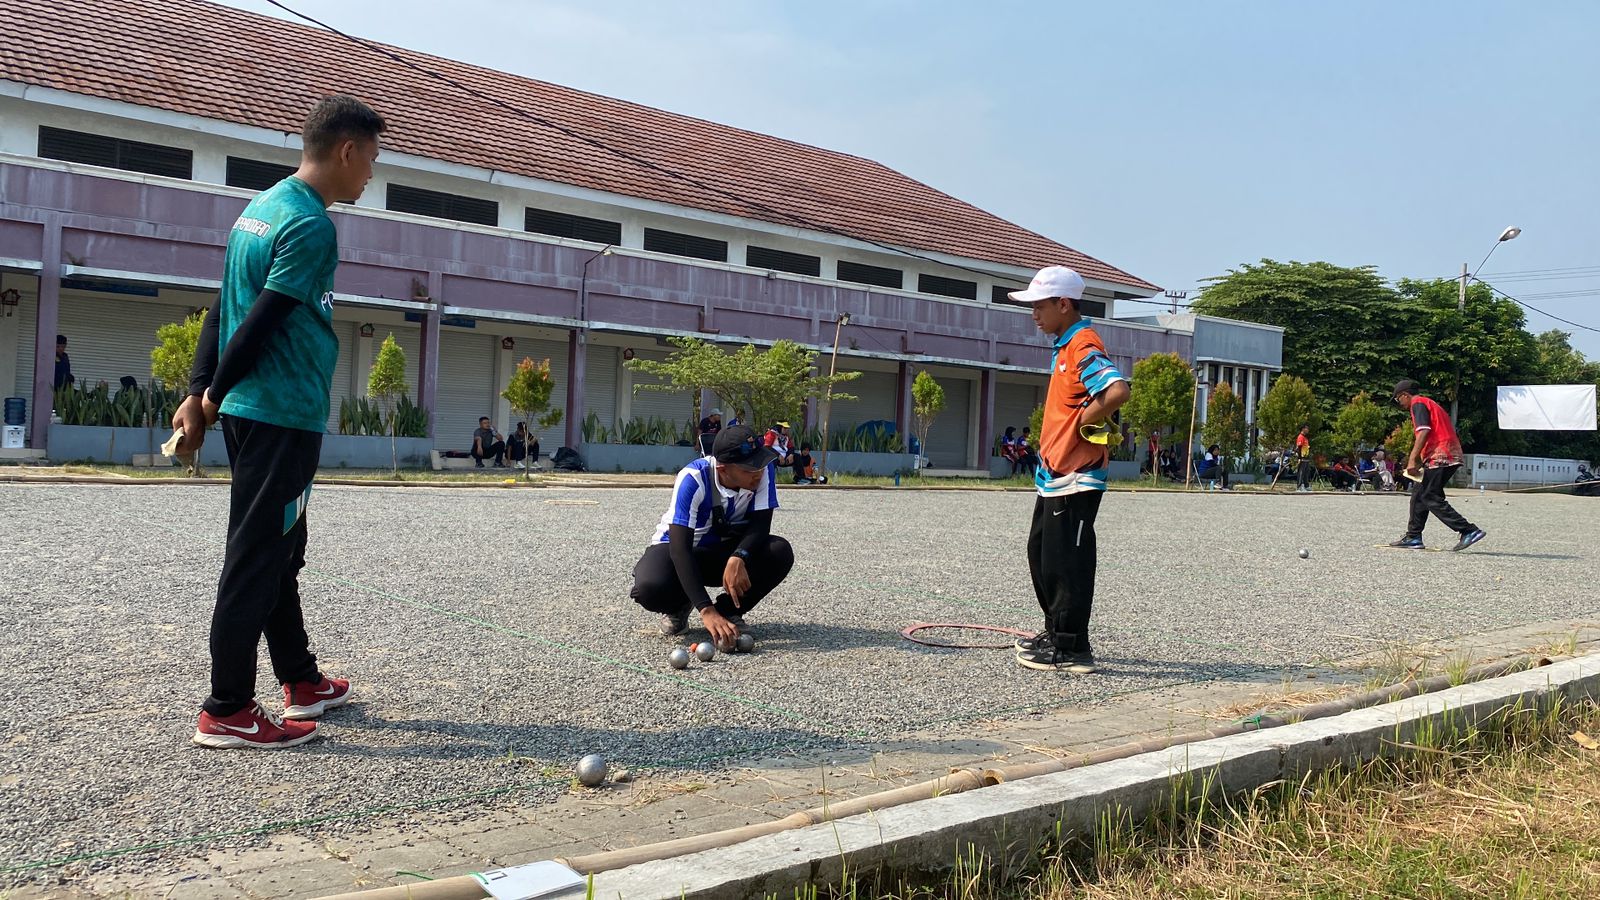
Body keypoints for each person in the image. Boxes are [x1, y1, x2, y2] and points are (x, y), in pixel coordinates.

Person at [172, 94, 385, 749]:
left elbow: (220, 307)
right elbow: (258, 321)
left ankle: (300, 681)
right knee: (258, 555)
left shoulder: (258, 210)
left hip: (253, 410)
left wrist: (200, 386)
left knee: (282, 549)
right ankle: (228, 708)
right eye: (371, 160)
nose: (370, 175)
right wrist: (211, 396)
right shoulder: (311, 225)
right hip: (279, 413)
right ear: (346, 150)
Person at [1002, 266, 1130, 674]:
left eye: (1040, 306)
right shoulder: (1065, 344)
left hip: (1077, 478)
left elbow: (1116, 390)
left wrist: (1083, 424)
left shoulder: (1082, 343)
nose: (1034, 315)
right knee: (1042, 554)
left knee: (1066, 562)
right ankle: (1054, 633)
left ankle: (1072, 648)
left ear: (1063, 304)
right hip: (1054, 477)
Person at [629, 424, 794, 646]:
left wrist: (739, 557)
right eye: (748, 469)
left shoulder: (763, 471)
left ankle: (726, 612)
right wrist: (705, 609)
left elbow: (760, 526)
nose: (758, 473)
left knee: (779, 551)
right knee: (650, 587)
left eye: (760, 465)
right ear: (723, 469)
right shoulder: (693, 478)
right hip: (681, 551)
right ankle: (681, 605)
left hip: (724, 552)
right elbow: (680, 550)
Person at [1389, 380, 1486, 551]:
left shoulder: (1417, 403)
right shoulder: (1430, 403)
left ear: (1404, 395)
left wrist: (1412, 460)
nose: (1399, 404)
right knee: (1419, 494)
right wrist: (1419, 462)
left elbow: (1424, 431)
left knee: (1430, 496)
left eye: (1398, 399)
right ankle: (1413, 537)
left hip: (1442, 455)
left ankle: (1468, 530)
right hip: (1444, 452)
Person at [1294, 425, 1314, 492]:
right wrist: (1299, 457)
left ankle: (1306, 485)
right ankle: (1299, 486)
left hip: (1306, 457)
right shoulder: (1300, 437)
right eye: (1306, 428)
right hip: (1302, 457)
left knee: (1306, 472)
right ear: (1303, 429)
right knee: (1301, 472)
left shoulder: (1305, 438)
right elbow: (1299, 447)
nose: (1308, 430)